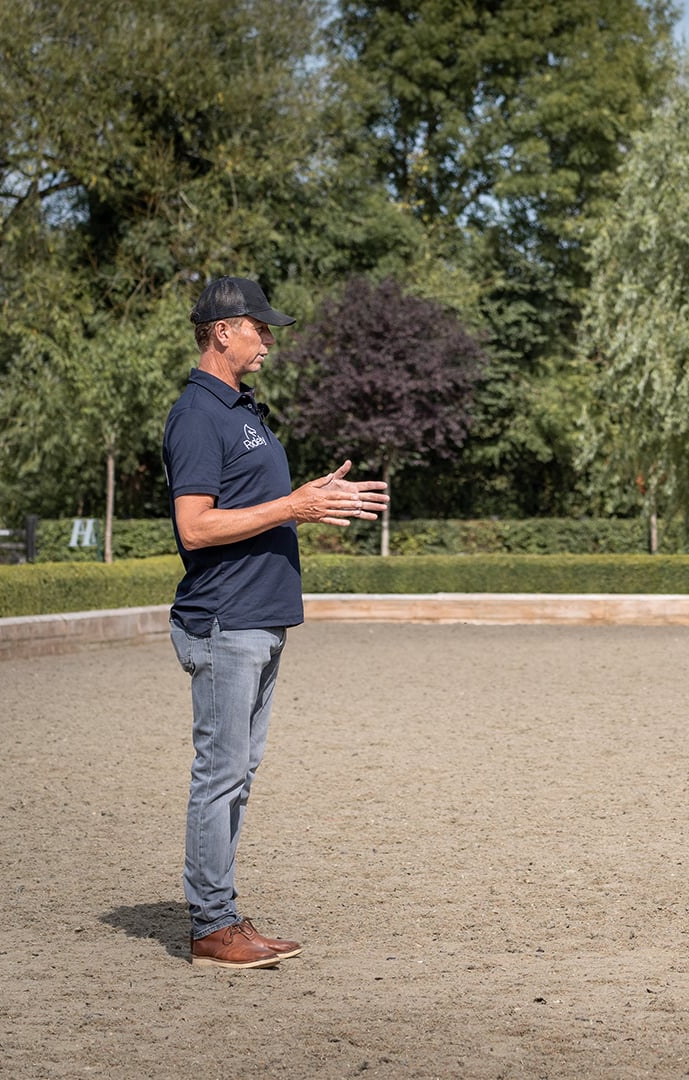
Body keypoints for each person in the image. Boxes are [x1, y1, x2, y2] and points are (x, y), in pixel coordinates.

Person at [163, 276, 389, 969]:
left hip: (256, 624)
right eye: (259, 328)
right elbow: (195, 528)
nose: (268, 340)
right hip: (224, 623)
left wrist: (311, 498)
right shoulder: (199, 414)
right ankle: (211, 925)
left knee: (238, 772)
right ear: (222, 331)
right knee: (221, 774)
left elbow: (265, 502)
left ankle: (221, 912)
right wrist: (292, 508)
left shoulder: (243, 412)